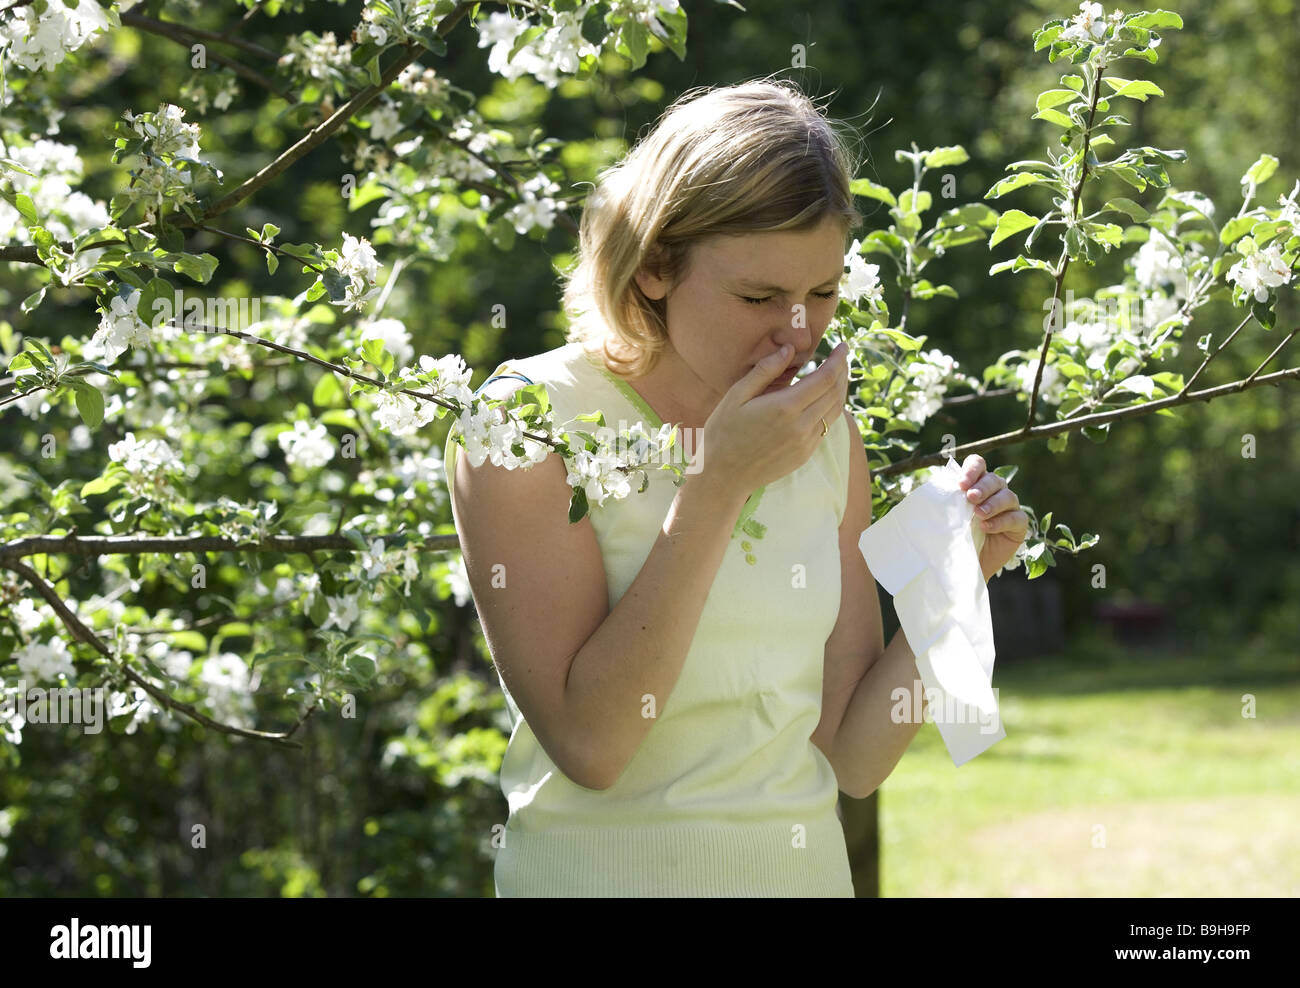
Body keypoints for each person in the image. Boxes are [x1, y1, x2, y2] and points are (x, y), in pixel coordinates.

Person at [444, 77, 1027, 897]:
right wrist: (718, 484)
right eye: (759, 296)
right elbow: (594, 746)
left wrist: (957, 584)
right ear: (652, 267)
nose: (799, 331)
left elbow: (851, 756)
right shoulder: (525, 426)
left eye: (821, 293)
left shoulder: (825, 437)